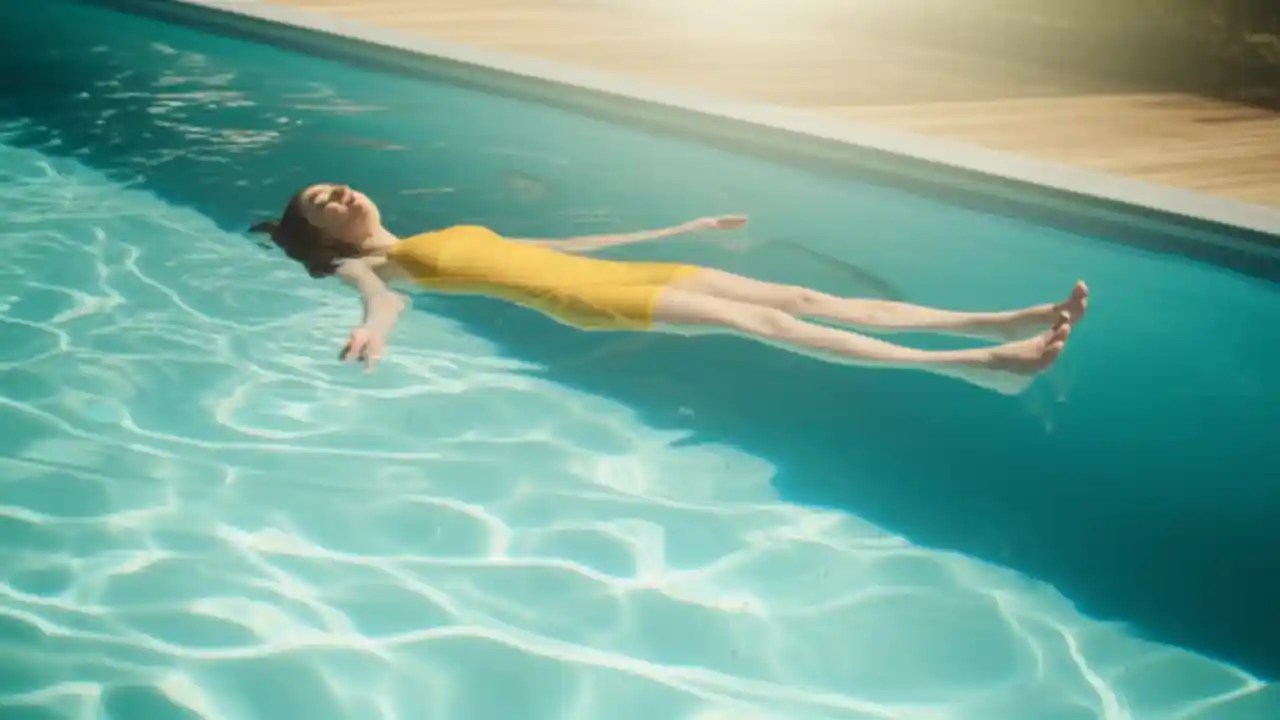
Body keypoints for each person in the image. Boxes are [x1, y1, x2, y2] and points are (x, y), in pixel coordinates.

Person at [250, 183, 1087, 395]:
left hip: (625, 272)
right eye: (321, 203)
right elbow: (382, 299)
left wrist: (673, 233)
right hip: (594, 303)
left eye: (334, 185)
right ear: (321, 237)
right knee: (770, 324)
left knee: (799, 295)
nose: (339, 195)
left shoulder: (442, 231)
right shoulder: (374, 265)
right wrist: (380, 332)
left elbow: (554, 243)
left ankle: (997, 317)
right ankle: (979, 361)